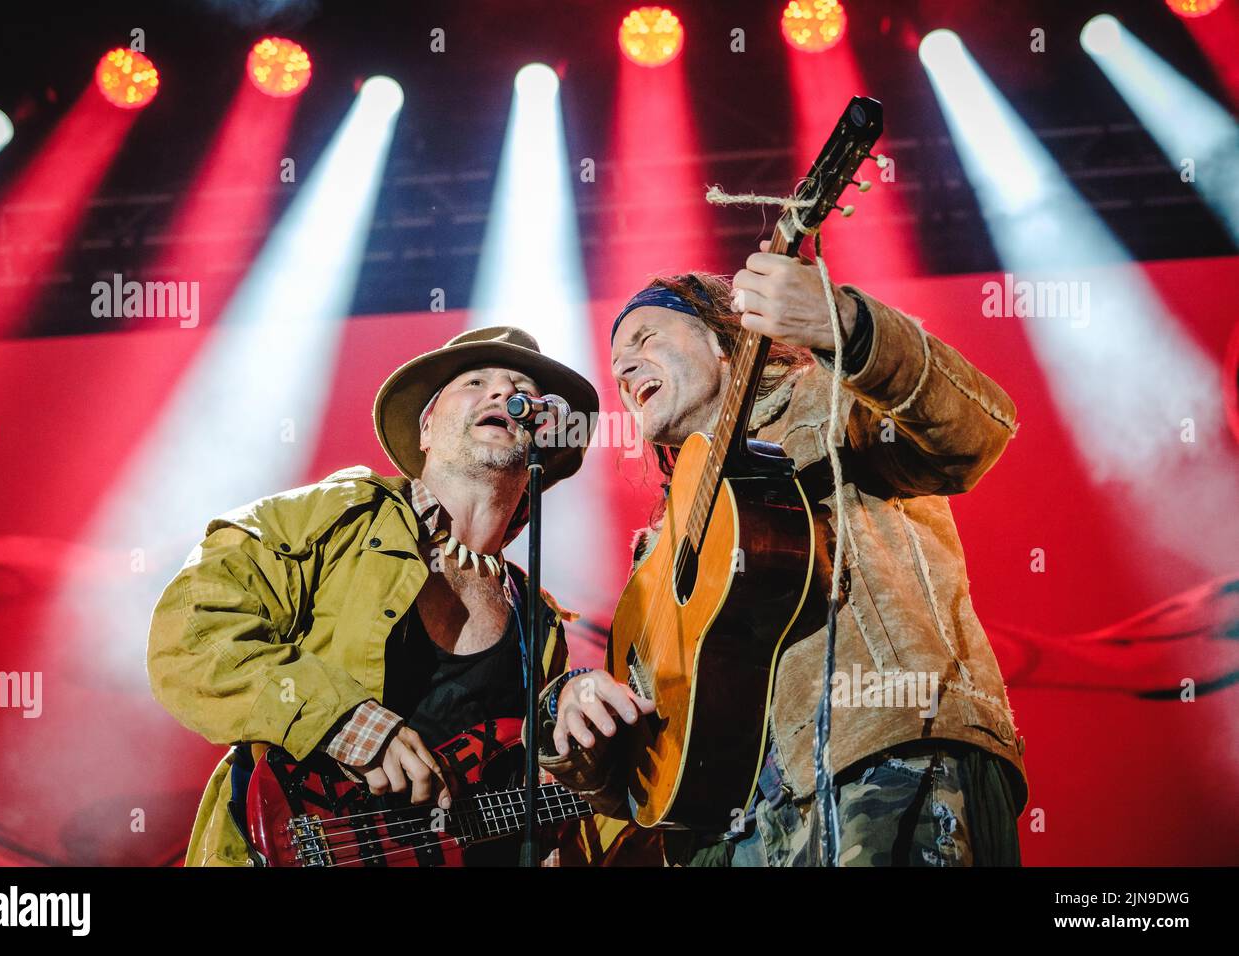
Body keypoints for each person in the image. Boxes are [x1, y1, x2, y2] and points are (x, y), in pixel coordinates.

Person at [541, 244, 1029, 866]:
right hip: (725, 836)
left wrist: (847, 326)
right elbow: (639, 784)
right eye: (616, 365)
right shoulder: (655, 555)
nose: (625, 368)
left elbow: (973, 431)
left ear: (725, 341)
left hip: (876, 758)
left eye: (646, 337)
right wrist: (576, 719)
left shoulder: (826, 399)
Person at [146, 325, 605, 866]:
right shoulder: (335, 515)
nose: (503, 395)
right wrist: (340, 720)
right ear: (426, 428)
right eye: (476, 381)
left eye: (521, 388)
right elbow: (192, 632)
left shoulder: (538, 618)